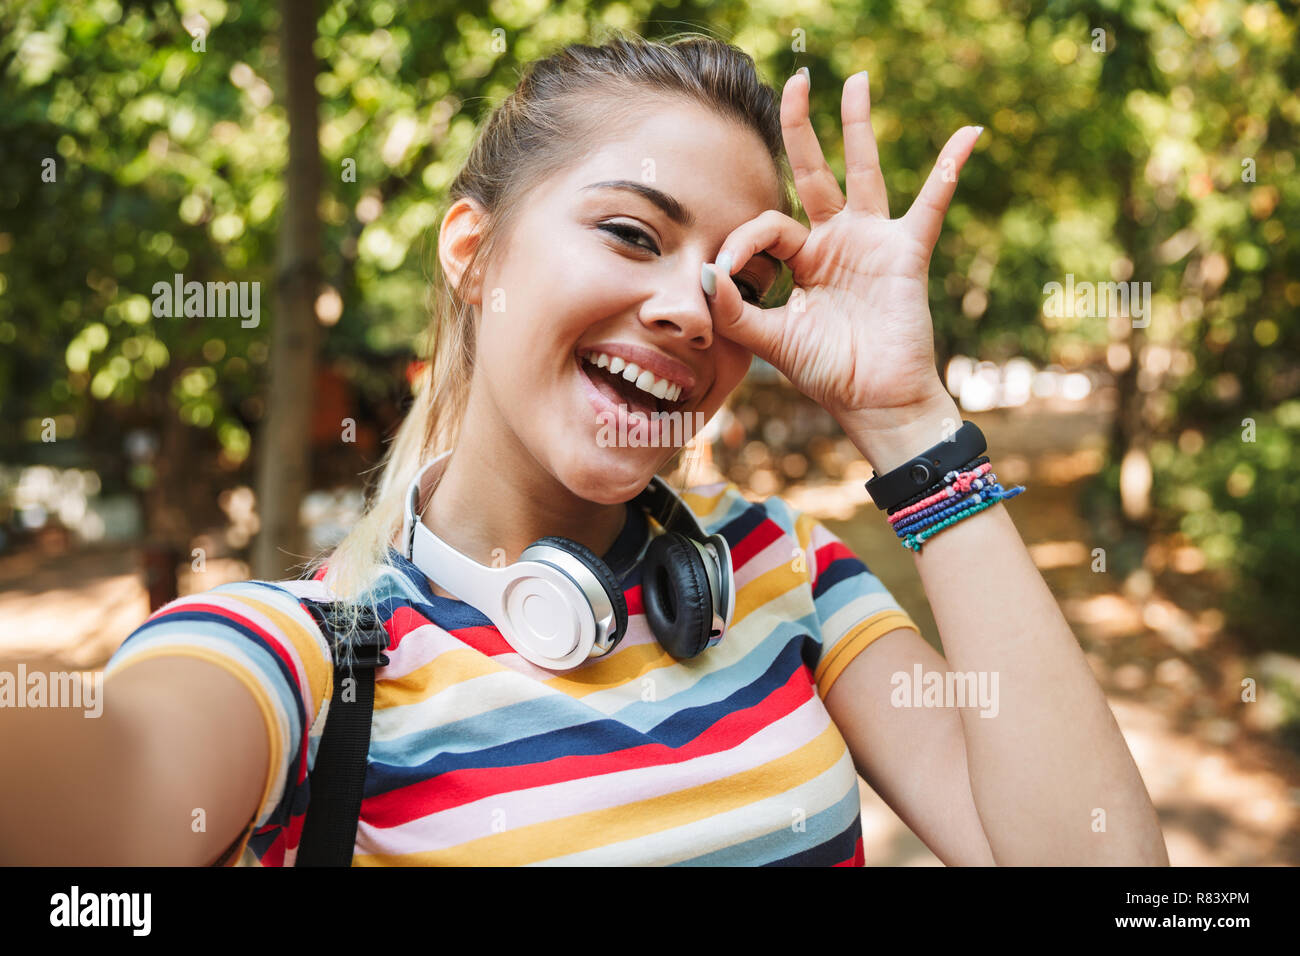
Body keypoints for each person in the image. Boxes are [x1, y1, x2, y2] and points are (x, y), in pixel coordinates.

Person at [0, 32, 1167, 867]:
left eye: (740, 279)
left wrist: (911, 422)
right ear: (475, 250)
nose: (693, 308)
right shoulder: (299, 663)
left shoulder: (787, 576)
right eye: (629, 232)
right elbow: (112, 790)